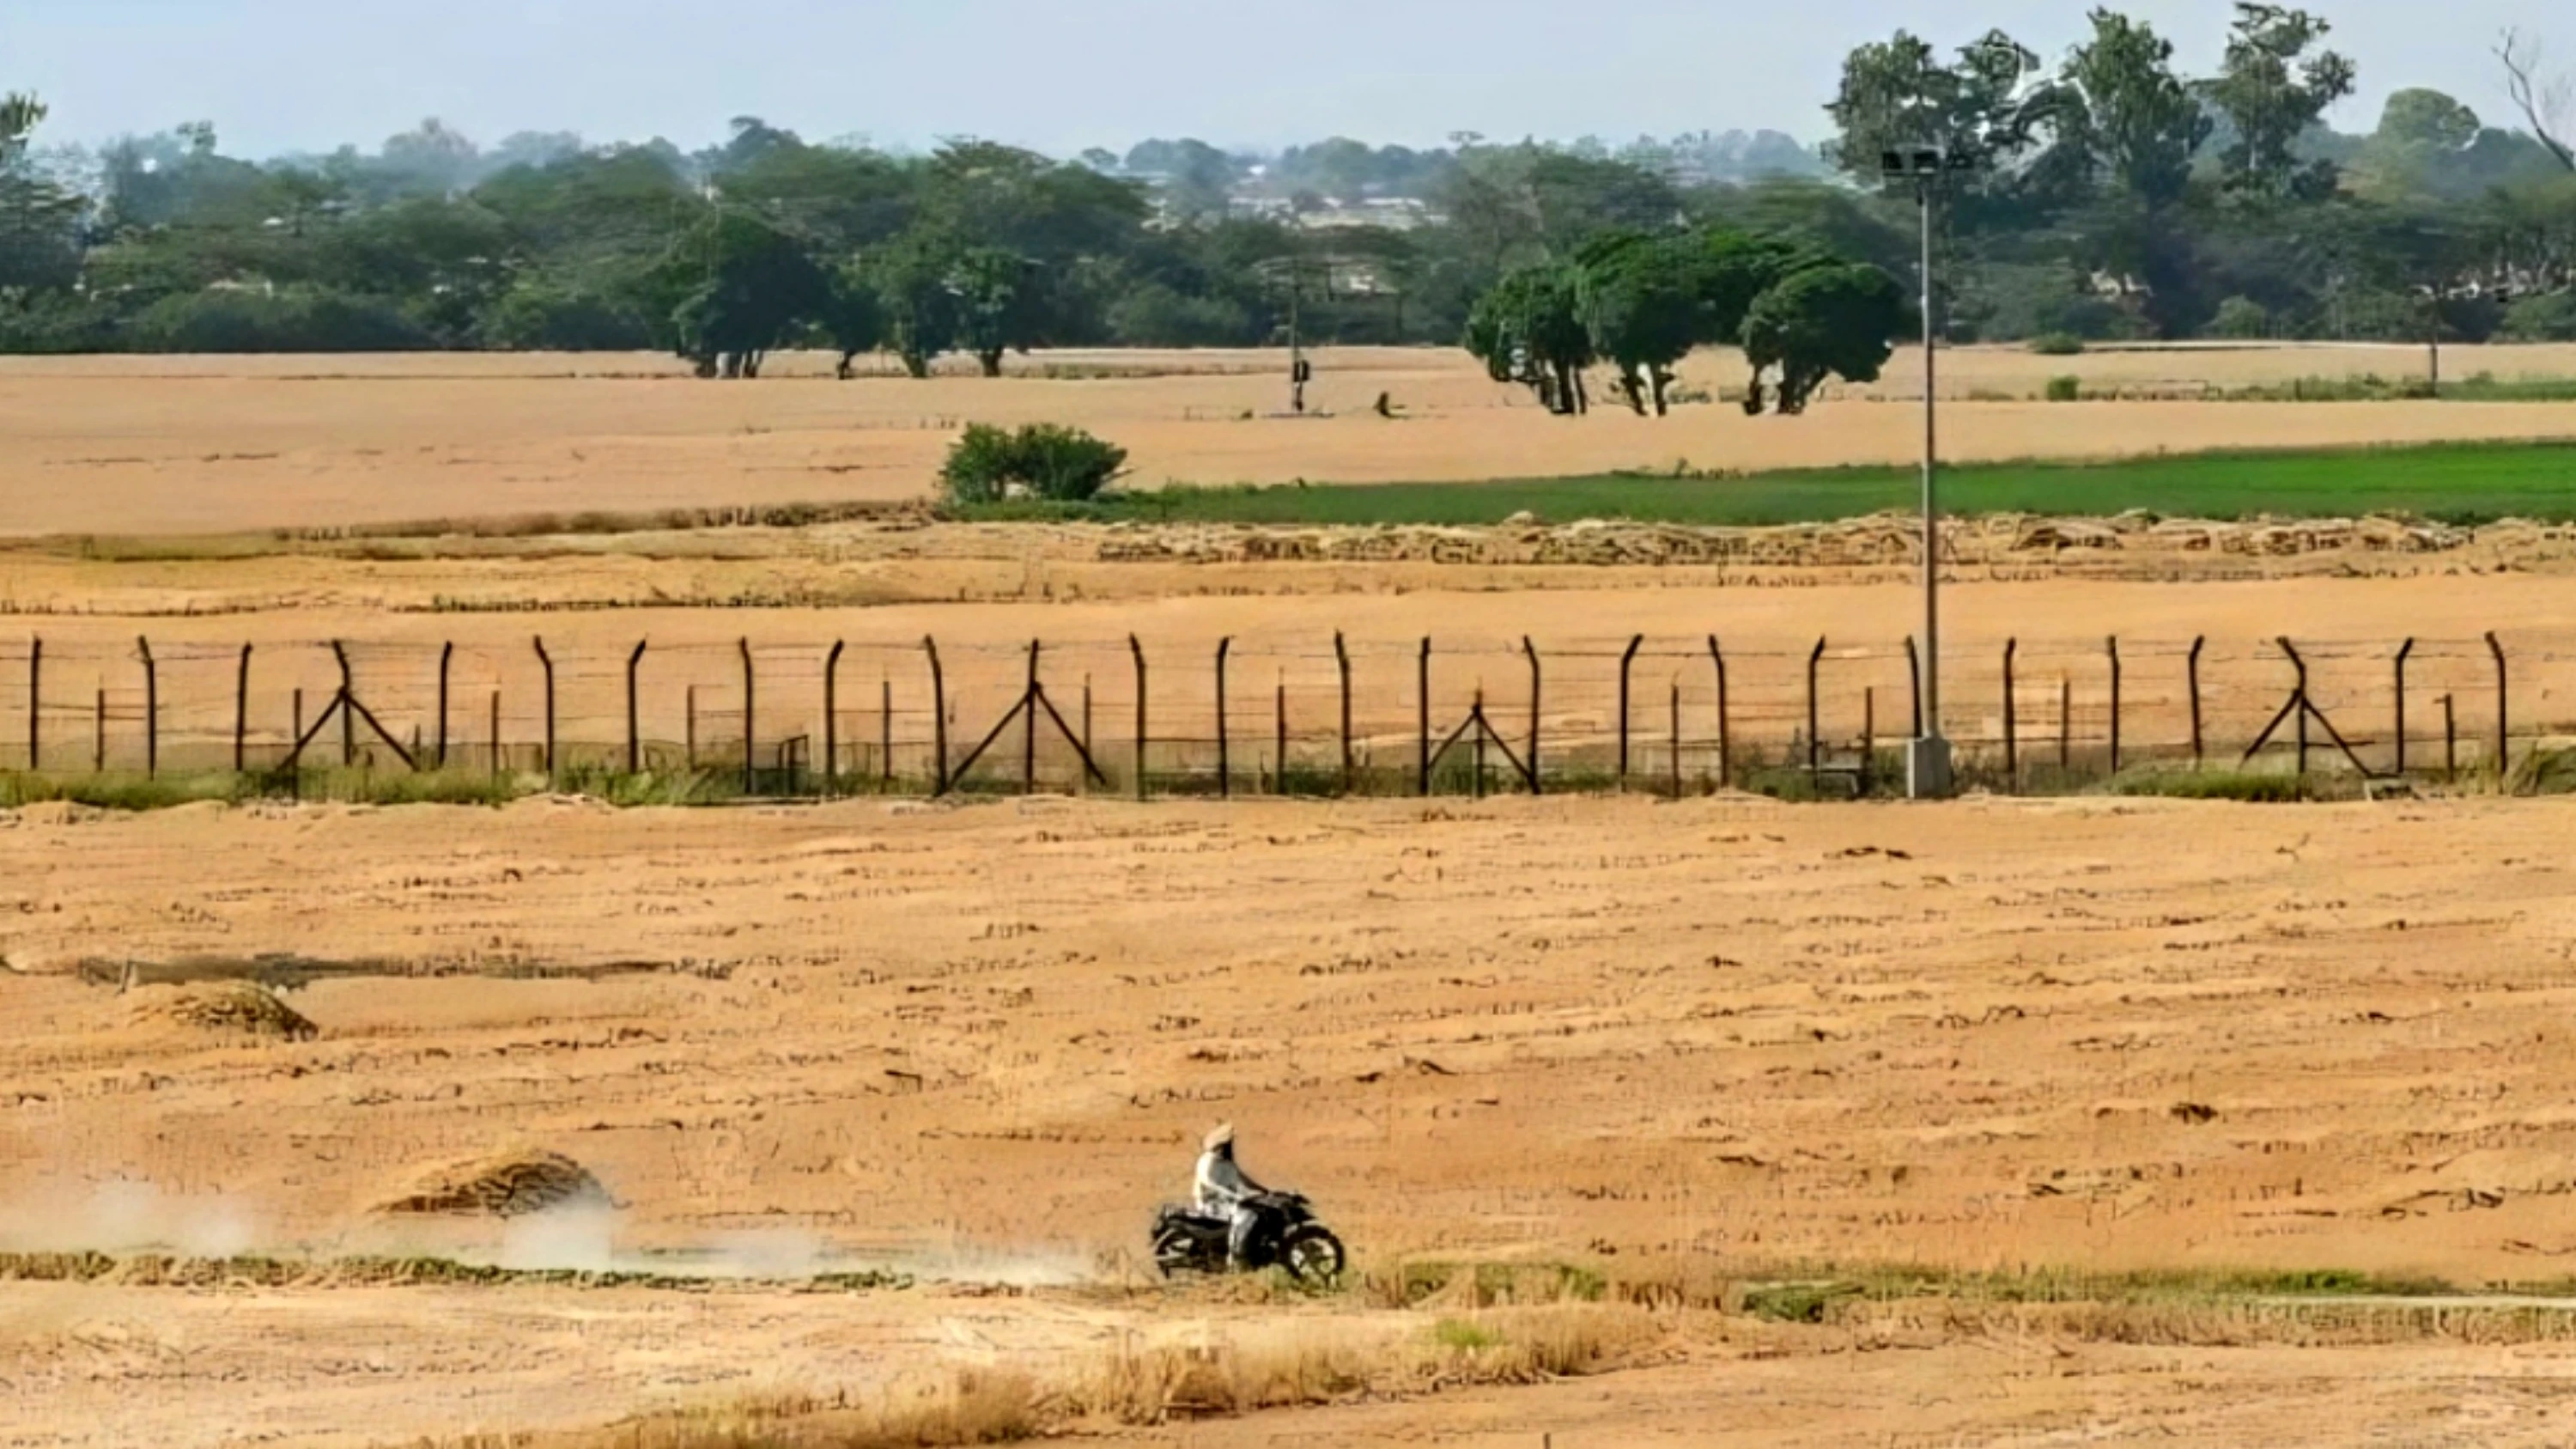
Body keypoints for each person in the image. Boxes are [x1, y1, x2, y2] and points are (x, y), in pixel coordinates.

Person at [1194, 1123, 1270, 1269]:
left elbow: (1243, 1179)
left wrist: (1262, 1190)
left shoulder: (1226, 1163)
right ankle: (1235, 1255)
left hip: (1225, 1201)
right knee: (1245, 1217)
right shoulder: (1208, 1161)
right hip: (1210, 1204)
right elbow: (1208, 1182)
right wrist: (1233, 1195)